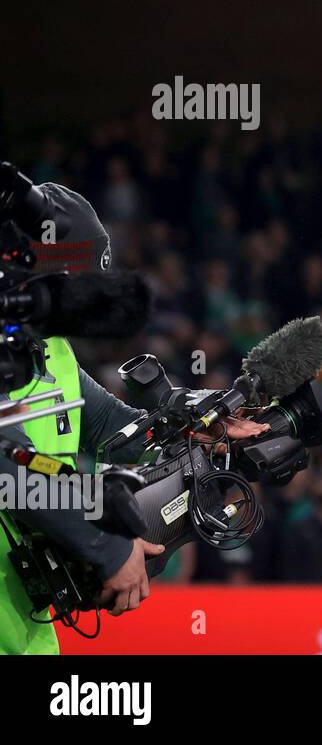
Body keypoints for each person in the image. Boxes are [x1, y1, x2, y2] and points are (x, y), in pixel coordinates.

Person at [0, 167, 265, 653]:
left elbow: (112, 426)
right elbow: (9, 470)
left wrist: (195, 424)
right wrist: (106, 544)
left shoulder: (52, 347)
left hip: (25, 629)